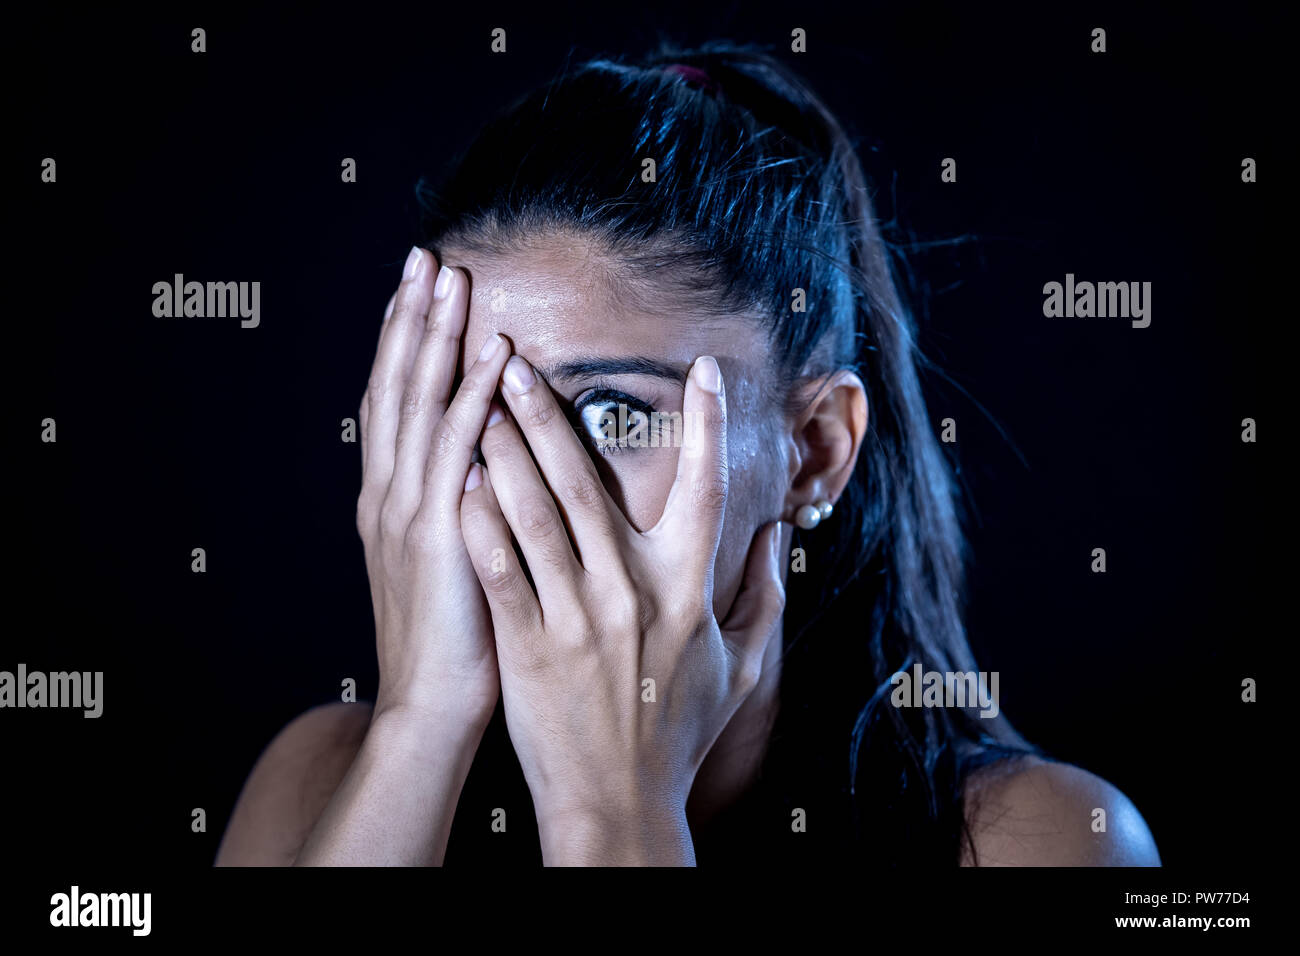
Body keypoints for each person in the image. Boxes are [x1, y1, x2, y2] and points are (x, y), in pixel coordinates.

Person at [216, 42, 1160, 867]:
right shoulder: (319, 786)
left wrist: (613, 811)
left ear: (815, 452)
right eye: (467, 415)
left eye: (611, 416)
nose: (518, 492)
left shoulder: (1032, 842)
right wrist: (416, 734)